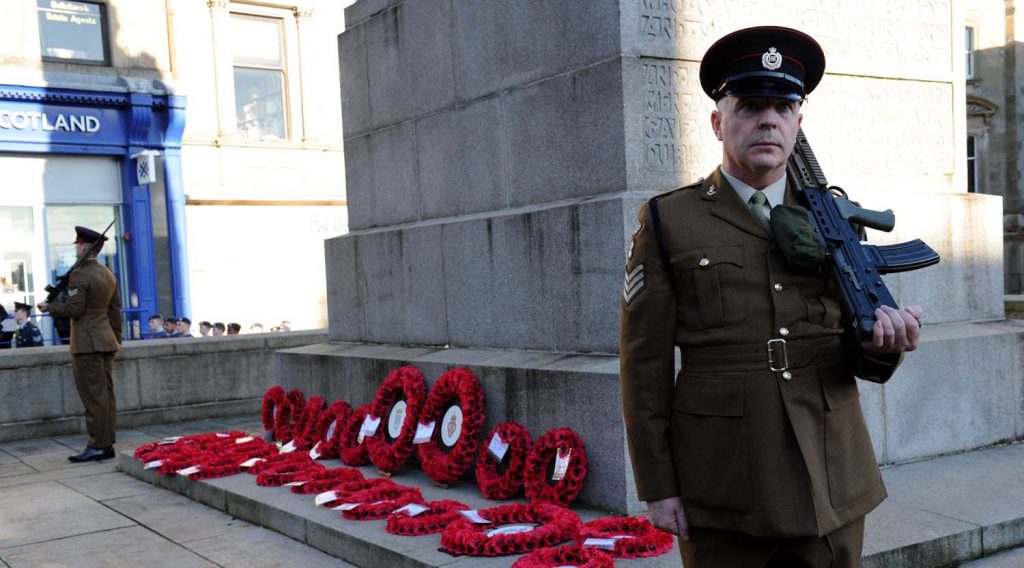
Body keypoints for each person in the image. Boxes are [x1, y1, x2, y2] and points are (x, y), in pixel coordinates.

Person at [619, 26, 924, 568]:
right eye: (750, 106)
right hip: (724, 480)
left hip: (829, 474)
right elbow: (643, 367)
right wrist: (658, 485)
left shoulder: (834, 218)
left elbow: (862, 358)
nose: (768, 120)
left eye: (783, 107)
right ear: (718, 121)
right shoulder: (670, 220)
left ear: (798, 123)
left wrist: (886, 343)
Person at [38, 226, 122, 463]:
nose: (76, 248)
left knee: (93, 397)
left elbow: (75, 309)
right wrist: (117, 338)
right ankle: (107, 443)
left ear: (85, 246)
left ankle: (98, 446)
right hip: (106, 340)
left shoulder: (80, 275)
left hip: (87, 343)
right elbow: (115, 310)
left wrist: (49, 308)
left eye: (78, 244)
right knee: (106, 396)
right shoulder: (108, 273)